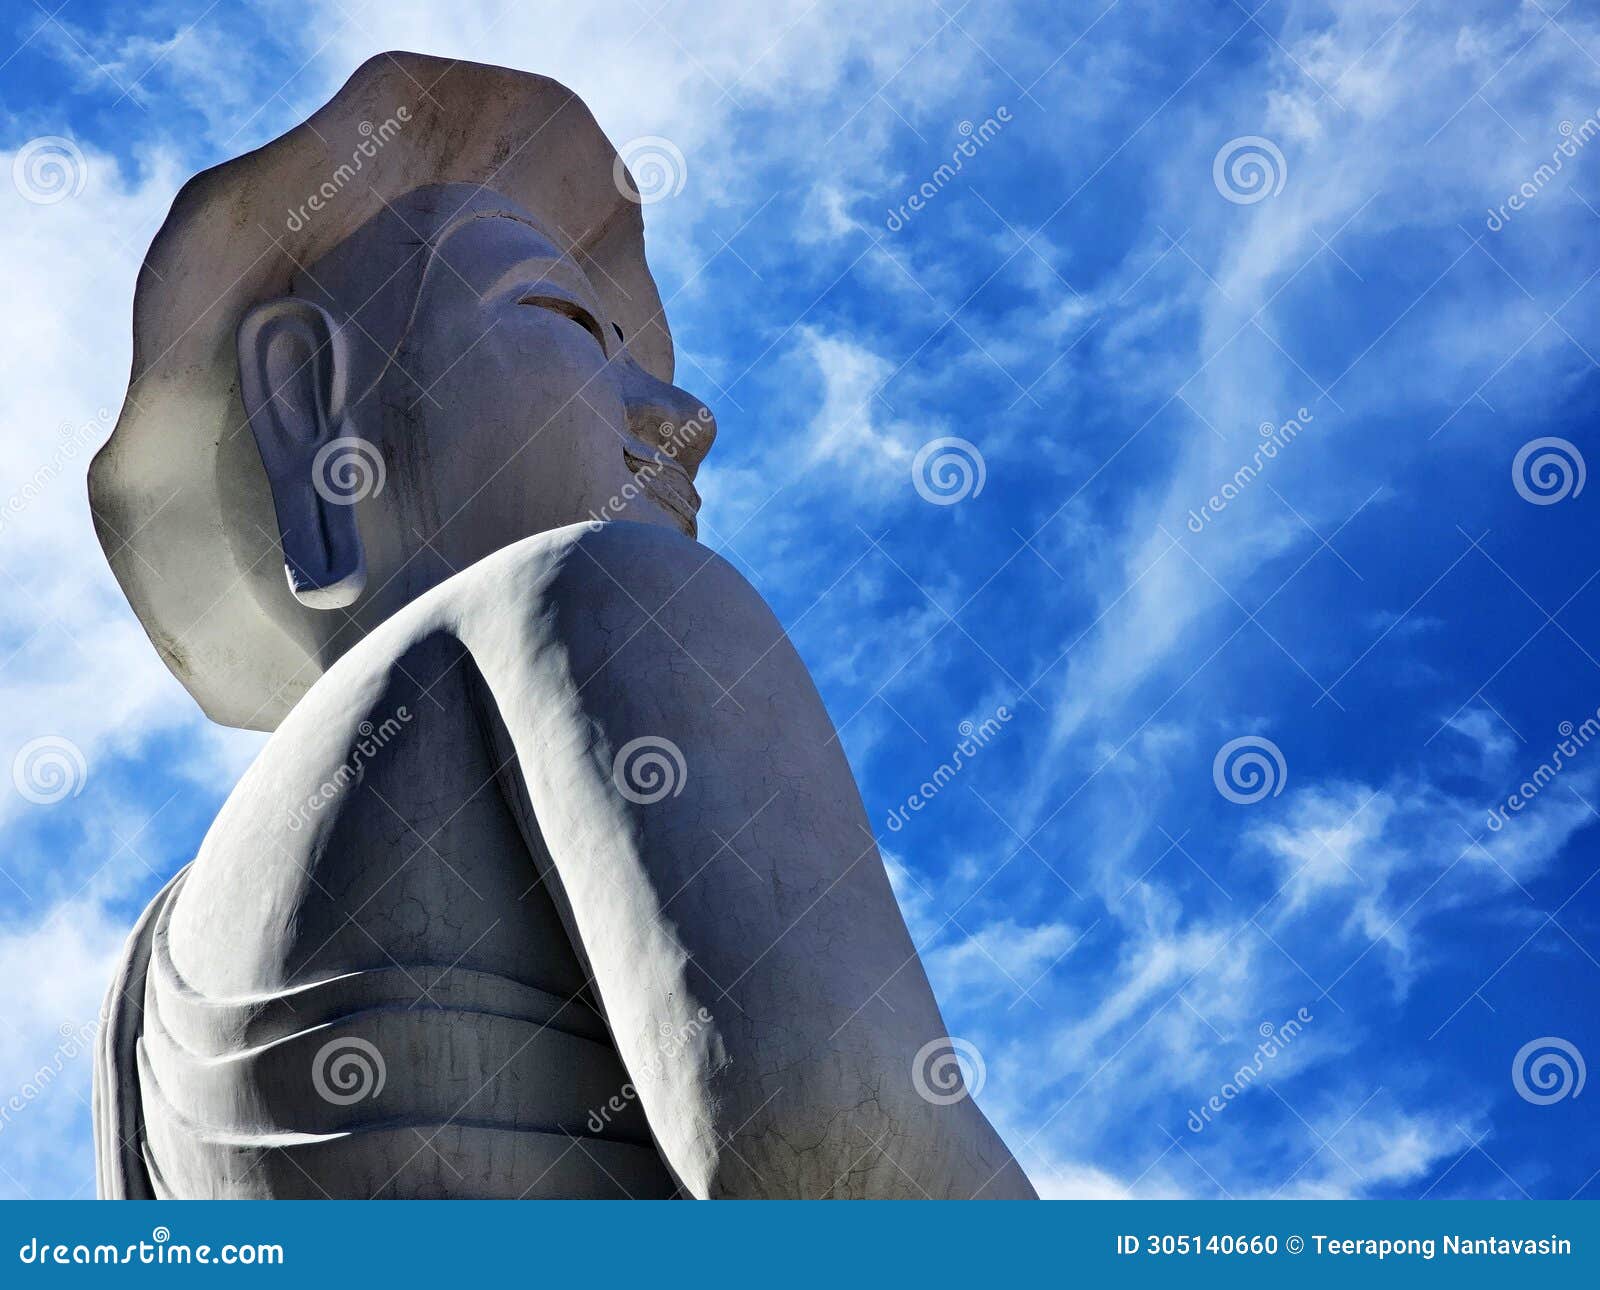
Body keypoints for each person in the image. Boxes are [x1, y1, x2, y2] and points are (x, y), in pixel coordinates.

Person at [89, 51, 1035, 1201]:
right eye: (570, 322)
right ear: (307, 407)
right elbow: (836, 1137)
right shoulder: (588, 595)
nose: (684, 422)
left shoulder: (147, 977)